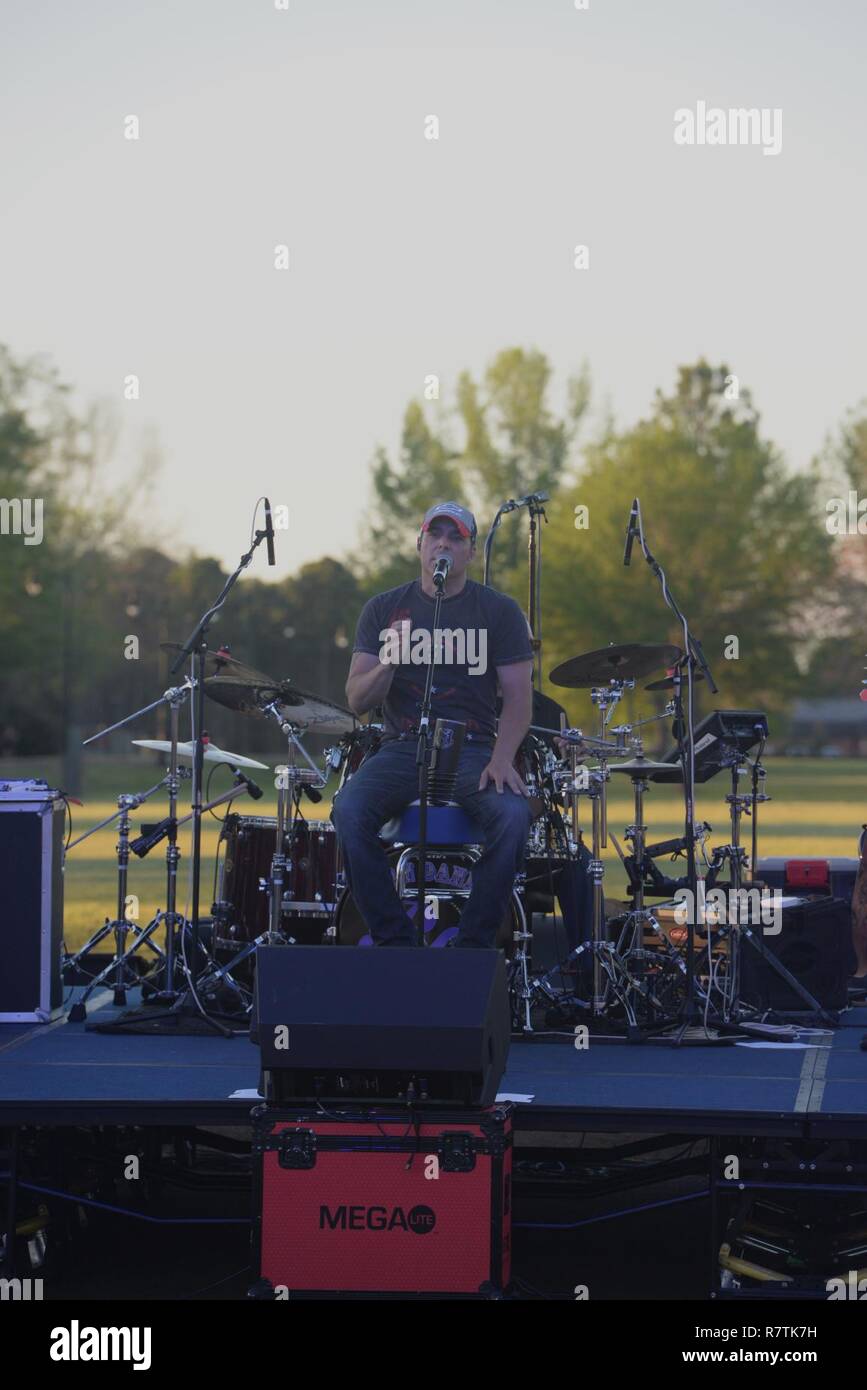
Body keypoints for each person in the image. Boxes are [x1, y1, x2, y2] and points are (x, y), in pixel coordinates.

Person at [332, 501, 534, 947]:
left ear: (470, 551)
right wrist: (389, 660)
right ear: (419, 543)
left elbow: (520, 700)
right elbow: (357, 699)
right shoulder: (384, 609)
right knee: (347, 812)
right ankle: (396, 942)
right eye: (434, 535)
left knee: (514, 817)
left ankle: (472, 947)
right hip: (403, 746)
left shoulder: (498, 612)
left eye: (455, 537)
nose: (442, 544)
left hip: (473, 748)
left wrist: (503, 758)